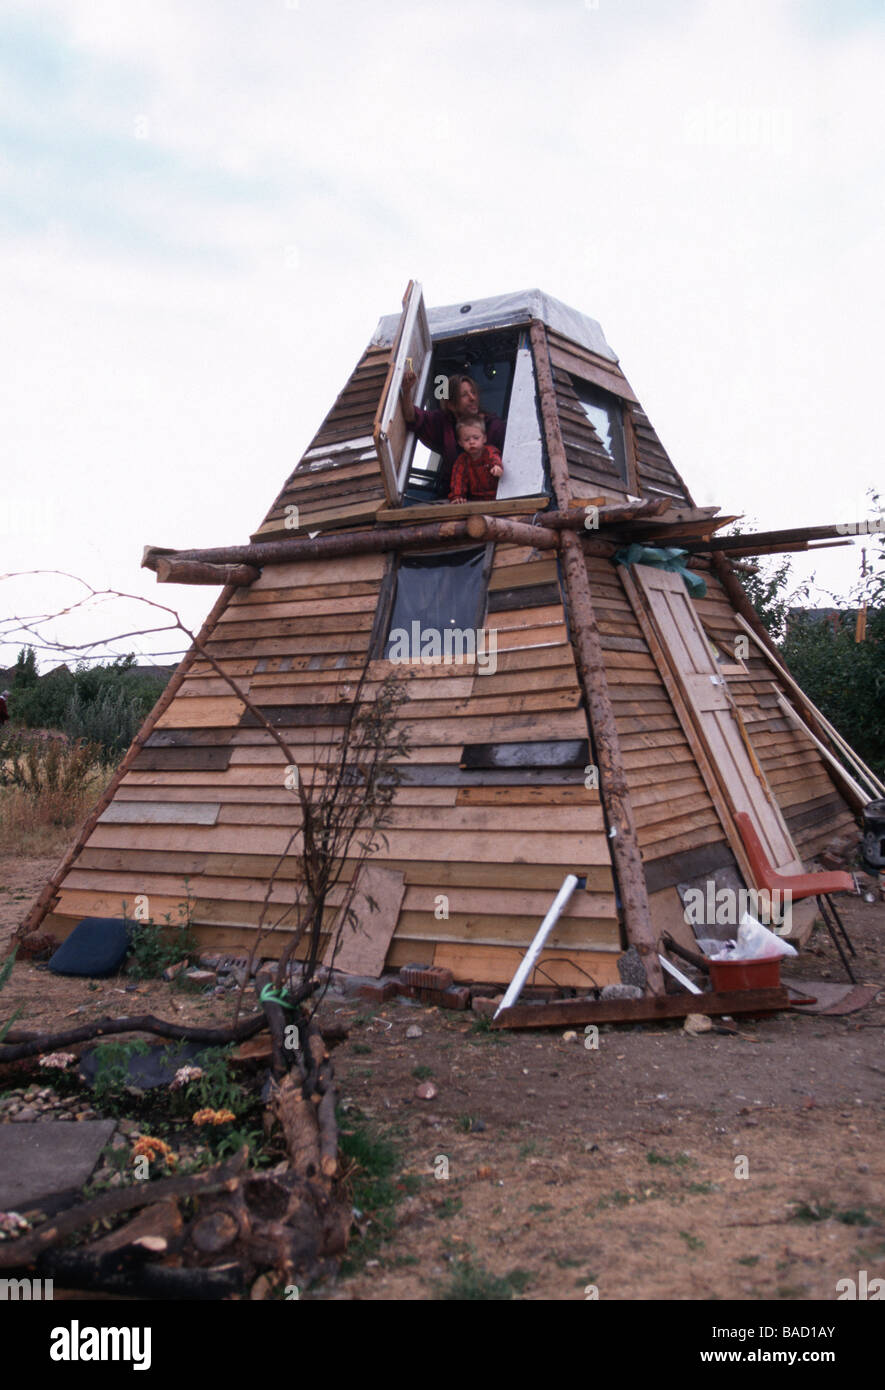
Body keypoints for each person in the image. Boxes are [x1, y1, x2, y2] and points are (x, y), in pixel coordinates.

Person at [400, 368, 506, 497]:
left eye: (473, 393)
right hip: (454, 497)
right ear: (451, 405)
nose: (472, 398)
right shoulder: (443, 422)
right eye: (464, 395)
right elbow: (413, 417)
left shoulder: (494, 426)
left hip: (492, 497)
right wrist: (406, 391)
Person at [448, 417, 503, 503]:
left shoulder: (489, 451)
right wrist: (458, 496)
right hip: (475, 501)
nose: (471, 442)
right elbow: (457, 480)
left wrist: (497, 466)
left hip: (497, 497)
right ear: (460, 443)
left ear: (484, 438)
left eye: (476, 438)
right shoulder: (461, 461)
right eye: (466, 440)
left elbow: (495, 458)